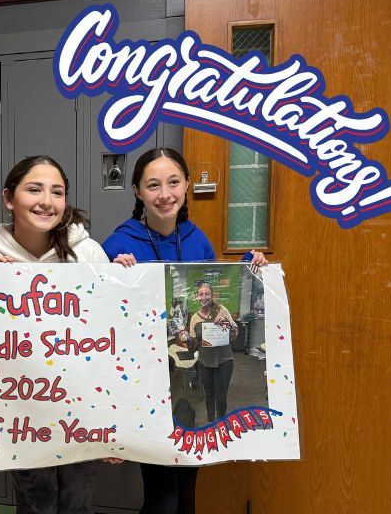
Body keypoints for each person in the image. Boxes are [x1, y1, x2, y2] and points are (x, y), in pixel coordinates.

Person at [102, 147, 266, 514]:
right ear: (137, 190)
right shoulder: (118, 244)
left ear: (187, 184)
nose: (165, 194)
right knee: (163, 499)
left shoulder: (196, 240)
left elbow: (212, 292)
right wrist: (110, 272)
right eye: (153, 185)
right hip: (143, 384)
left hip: (188, 380)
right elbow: (97, 318)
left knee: (187, 494)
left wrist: (249, 269)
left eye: (173, 182)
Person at [0, 155, 109, 513]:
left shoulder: (88, 253)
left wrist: (115, 417)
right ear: (8, 198)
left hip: (81, 408)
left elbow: (113, 336)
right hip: (21, 411)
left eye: (57, 192)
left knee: (78, 502)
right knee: (35, 503)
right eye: (34, 189)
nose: (47, 201)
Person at [186, 281, 238, 422]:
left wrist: (225, 323)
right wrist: (186, 338)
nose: (204, 297)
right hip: (205, 363)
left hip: (224, 362)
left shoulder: (221, 310)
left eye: (207, 294)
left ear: (212, 295)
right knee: (209, 394)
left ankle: (220, 424)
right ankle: (211, 423)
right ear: (196, 296)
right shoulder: (195, 318)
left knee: (221, 396)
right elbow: (194, 347)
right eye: (201, 294)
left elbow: (235, 334)